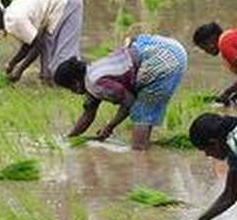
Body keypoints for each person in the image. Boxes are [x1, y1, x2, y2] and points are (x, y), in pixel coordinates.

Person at [54, 34, 188, 150]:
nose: (73, 92)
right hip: (169, 48)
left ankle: (140, 156)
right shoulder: (92, 72)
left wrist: (110, 126)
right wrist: (69, 138)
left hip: (164, 60)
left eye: (70, 89)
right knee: (145, 112)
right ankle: (145, 146)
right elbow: (88, 115)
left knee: (141, 114)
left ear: (75, 84)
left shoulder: (95, 84)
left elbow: (130, 102)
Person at [0, 0, 84, 84]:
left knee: (63, 58)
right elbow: (29, 43)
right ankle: (51, 84)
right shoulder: (10, 14)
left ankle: (84, 83)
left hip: (66, 3)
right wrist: (12, 63)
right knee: (47, 73)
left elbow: (38, 46)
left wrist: (20, 69)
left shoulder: (13, 20)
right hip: (56, 7)